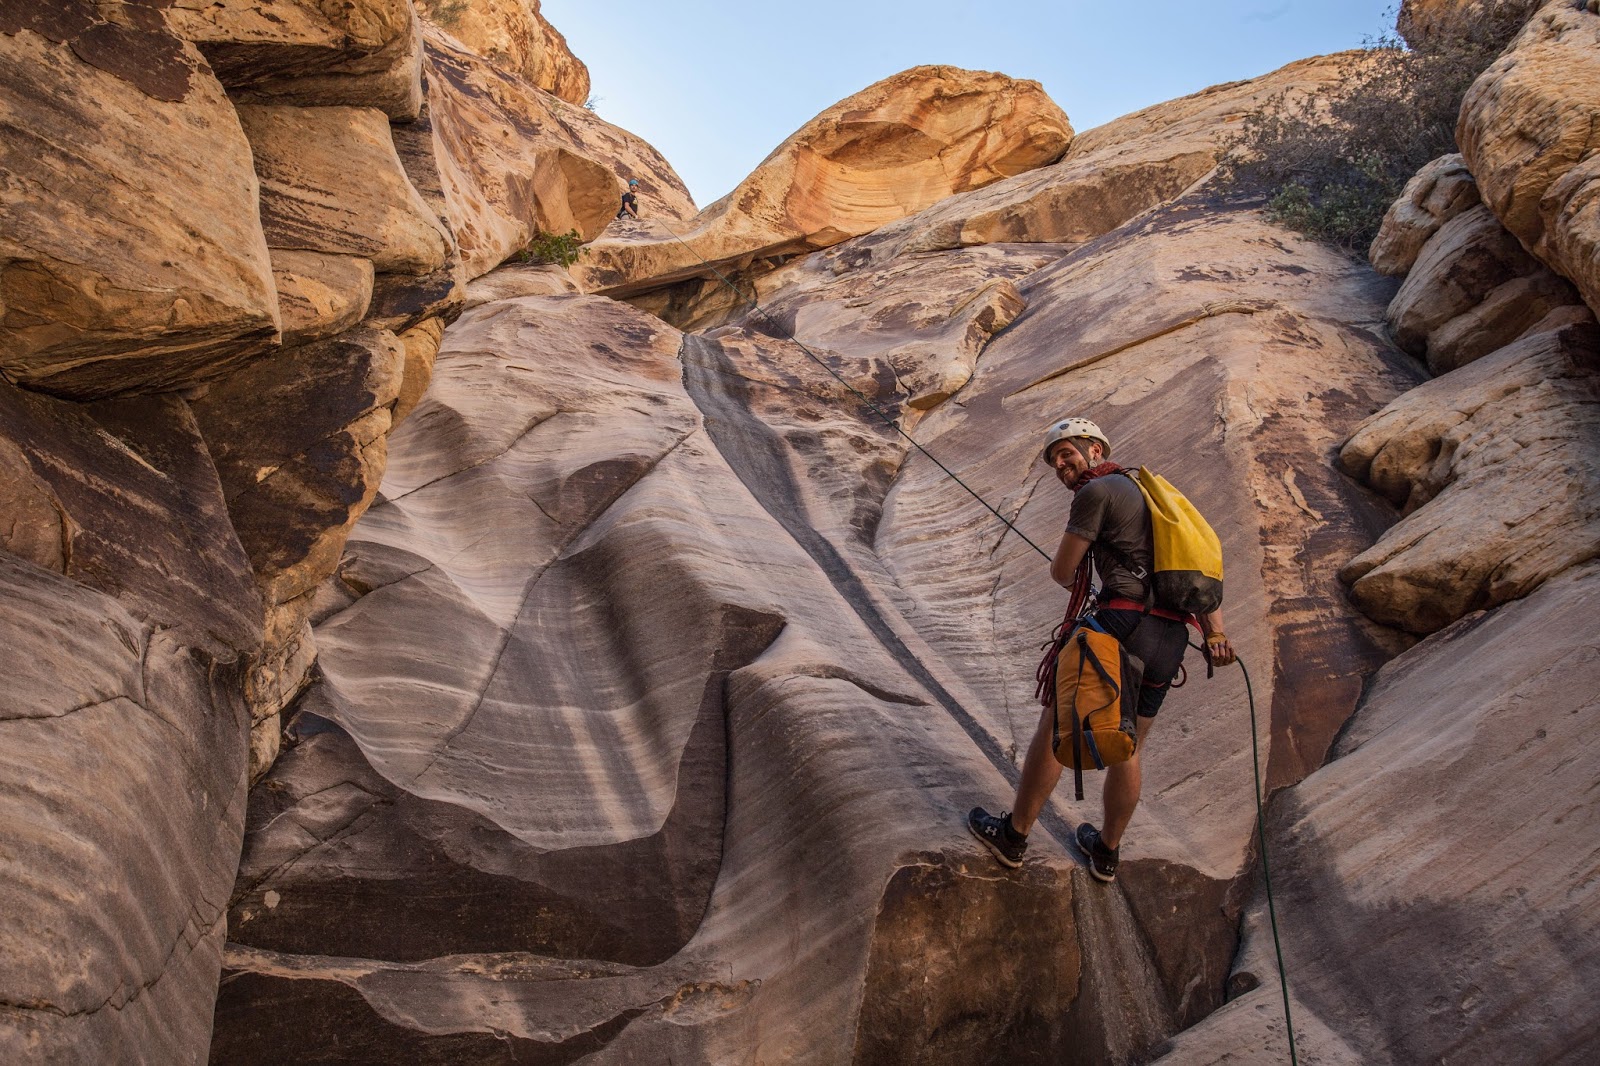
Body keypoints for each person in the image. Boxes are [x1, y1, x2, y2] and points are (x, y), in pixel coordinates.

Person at [967, 417, 1236, 882]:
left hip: (1119, 625)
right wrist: (1215, 632)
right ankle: (1107, 853)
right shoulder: (1156, 496)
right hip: (1170, 638)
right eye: (1054, 460)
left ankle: (1013, 836)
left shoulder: (1097, 492)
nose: (1060, 464)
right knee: (1127, 743)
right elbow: (1198, 568)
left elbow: (1062, 572)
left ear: (1095, 450)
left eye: (1066, 452)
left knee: (1058, 725)